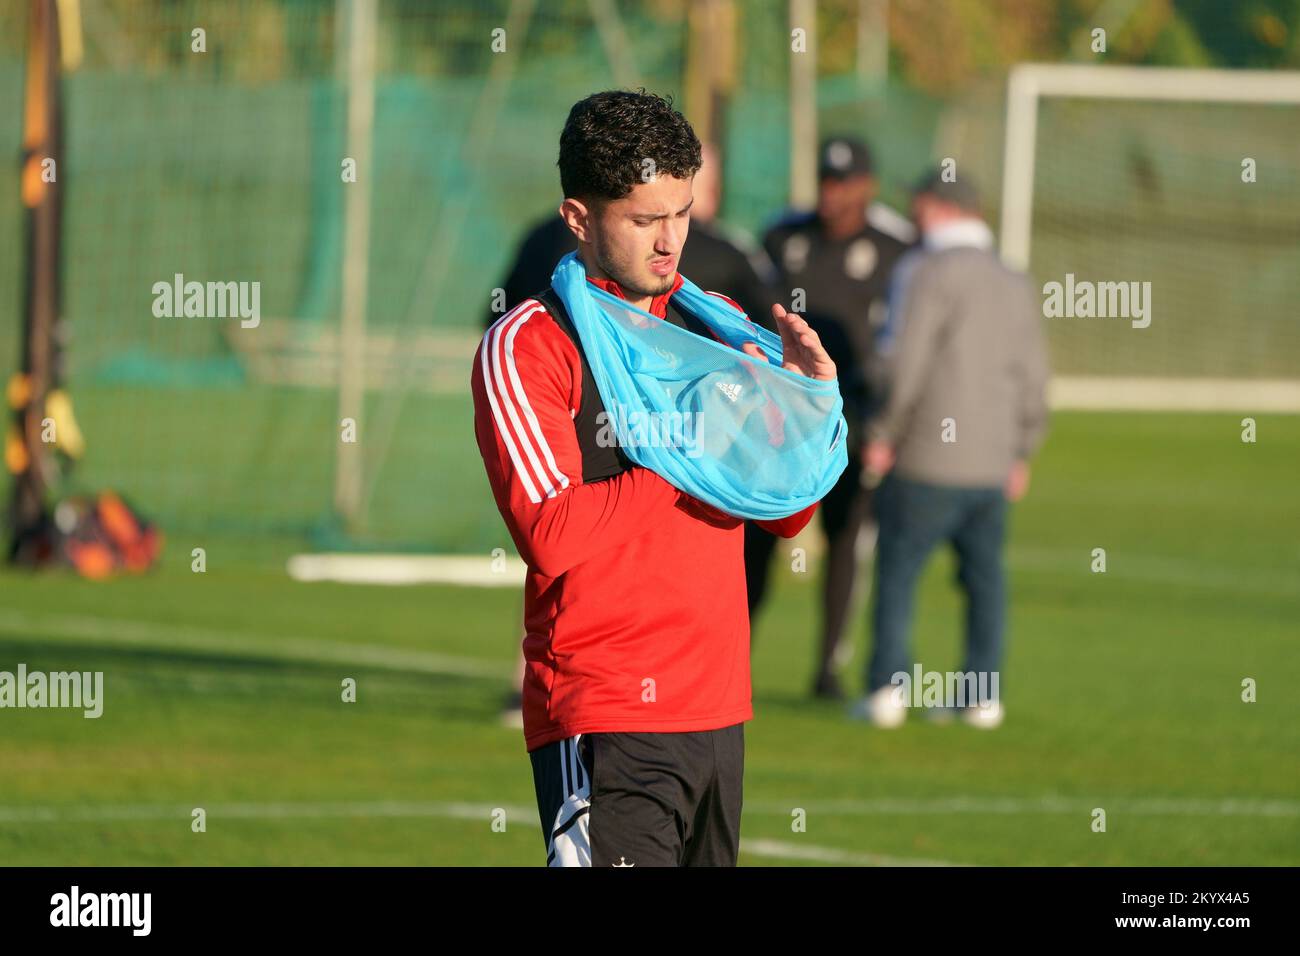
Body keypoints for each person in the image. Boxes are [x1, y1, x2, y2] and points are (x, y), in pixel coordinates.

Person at [470, 90, 836, 866]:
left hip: (717, 710)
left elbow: (786, 514)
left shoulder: (715, 325)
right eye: (643, 220)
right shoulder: (531, 345)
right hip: (605, 714)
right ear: (578, 218)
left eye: (682, 212)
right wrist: (692, 446)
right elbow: (549, 533)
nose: (670, 242)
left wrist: (804, 406)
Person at [851, 168, 1051, 730]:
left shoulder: (925, 270)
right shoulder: (1013, 278)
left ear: (937, 206)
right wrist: (1023, 449)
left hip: (926, 457)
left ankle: (888, 689)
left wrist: (883, 433)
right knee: (985, 582)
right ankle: (981, 697)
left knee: (898, 573)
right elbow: (1034, 375)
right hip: (992, 462)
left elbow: (905, 365)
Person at [747, 136, 910, 700]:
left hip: (851, 423)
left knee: (846, 540)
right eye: (825, 181)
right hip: (780, 419)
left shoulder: (894, 247)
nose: (831, 193)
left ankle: (828, 669)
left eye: (843, 183)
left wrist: (887, 421)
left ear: (867, 186)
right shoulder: (782, 236)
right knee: (758, 536)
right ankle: (733, 655)